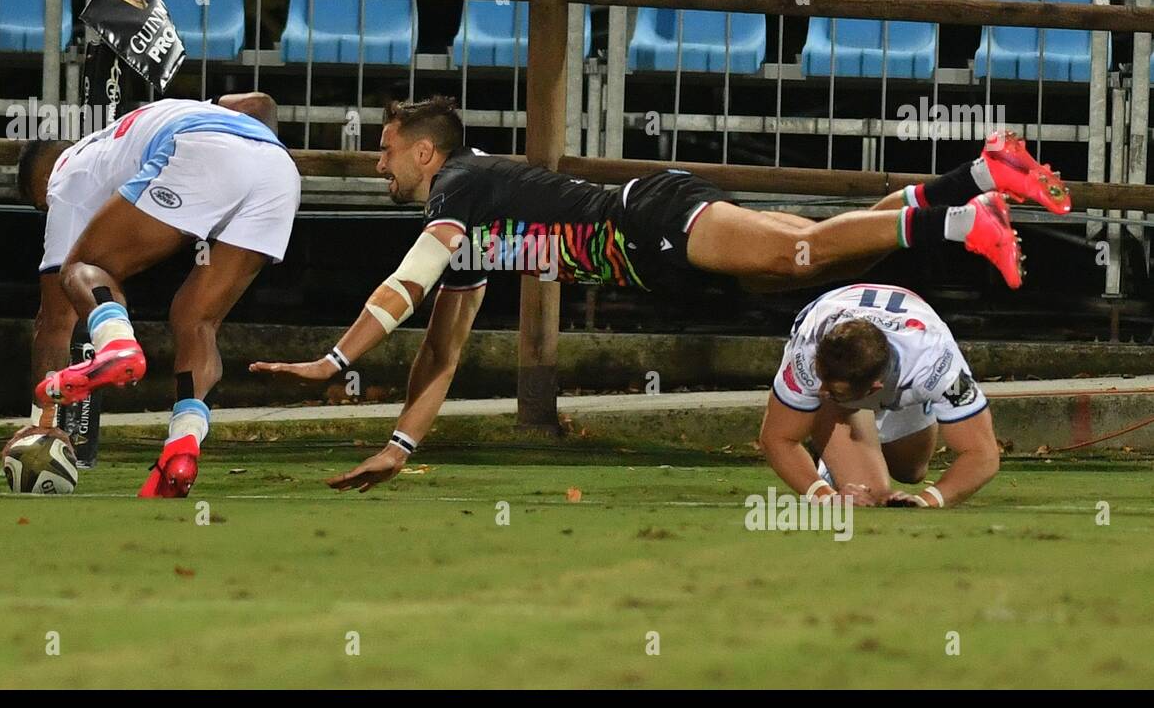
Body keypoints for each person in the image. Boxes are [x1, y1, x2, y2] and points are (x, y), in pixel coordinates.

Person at [250, 96, 1066, 493]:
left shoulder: (456, 186)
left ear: (427, 153)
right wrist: (401, 446)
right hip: (657, 258)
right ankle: (980, 176)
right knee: (812, 252)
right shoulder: (472, 223)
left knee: (799, 251)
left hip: (653, 218)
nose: (376, 165)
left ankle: (962, 225)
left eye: (387, 153)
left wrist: (334, 359)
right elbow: (442, 342)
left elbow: (405, 282)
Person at [11, 93, 300, 498]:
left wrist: (42, 423)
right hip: (278, 170)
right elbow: (263, 103)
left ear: (41, 185)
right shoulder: (133, 127)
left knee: (77, 269)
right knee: (195, 319)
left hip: (204, 152)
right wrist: (247, 156)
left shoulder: (66, 179)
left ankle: (117, 348)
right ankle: (181, 451)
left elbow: (56, 322)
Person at [757, 283, 1000, 508]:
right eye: (822, 381)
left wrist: (927, 501)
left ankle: (867, 433)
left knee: (911, 471)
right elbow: (778, 439)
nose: (821, 391)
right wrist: (824, 495)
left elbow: (983, 454)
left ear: (873, 388)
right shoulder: (808, 354)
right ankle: (831, 462)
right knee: (869, 494)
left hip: (905, 374)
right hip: (838, 322)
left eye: (834, 389)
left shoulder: (937, 367)